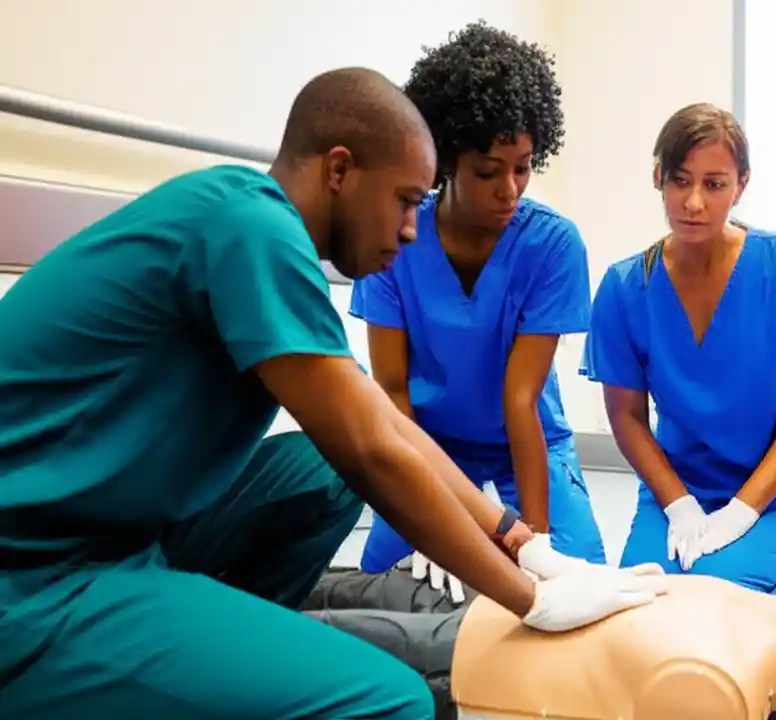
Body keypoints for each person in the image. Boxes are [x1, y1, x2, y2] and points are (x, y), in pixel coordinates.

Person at [0, 67, 666, 720]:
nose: (411, 229)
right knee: (392, 701)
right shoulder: (251, 230)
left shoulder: (248, 219)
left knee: (316, 473)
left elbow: (375, 419)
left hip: (109, 528)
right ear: (339, 170)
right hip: (37, 576)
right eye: (405, 200)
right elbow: (373, 450)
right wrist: (531, 600)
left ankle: (227, 654)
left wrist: (522, 543)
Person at [352, 21, 607, 583]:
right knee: (379, 584)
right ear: (446, 161)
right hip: (428, 446)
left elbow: (522, 399)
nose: (510, 189)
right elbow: (392, 392)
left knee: (578, 577)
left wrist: (536, 543)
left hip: (527, 446)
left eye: (523, 168)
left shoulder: (552, 244)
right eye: (488, 172)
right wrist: (429, 516)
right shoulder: (397, 235)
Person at [580, 103, 776, 598]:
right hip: (677, 490)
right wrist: (678, 505)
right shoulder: (625, 287)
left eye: (714, 184)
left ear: (741, 185)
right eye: (680, 181)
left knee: (715, 594)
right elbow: (626, 417)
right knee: (644, 599)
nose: (694, 202)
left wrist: (742, 511)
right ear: (658, 178)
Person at [304, 556, 776, 720]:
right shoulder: (772, 614)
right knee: (312, 578)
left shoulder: (724, 691)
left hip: (465, 664)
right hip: (502, 606)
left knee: (293, 638)